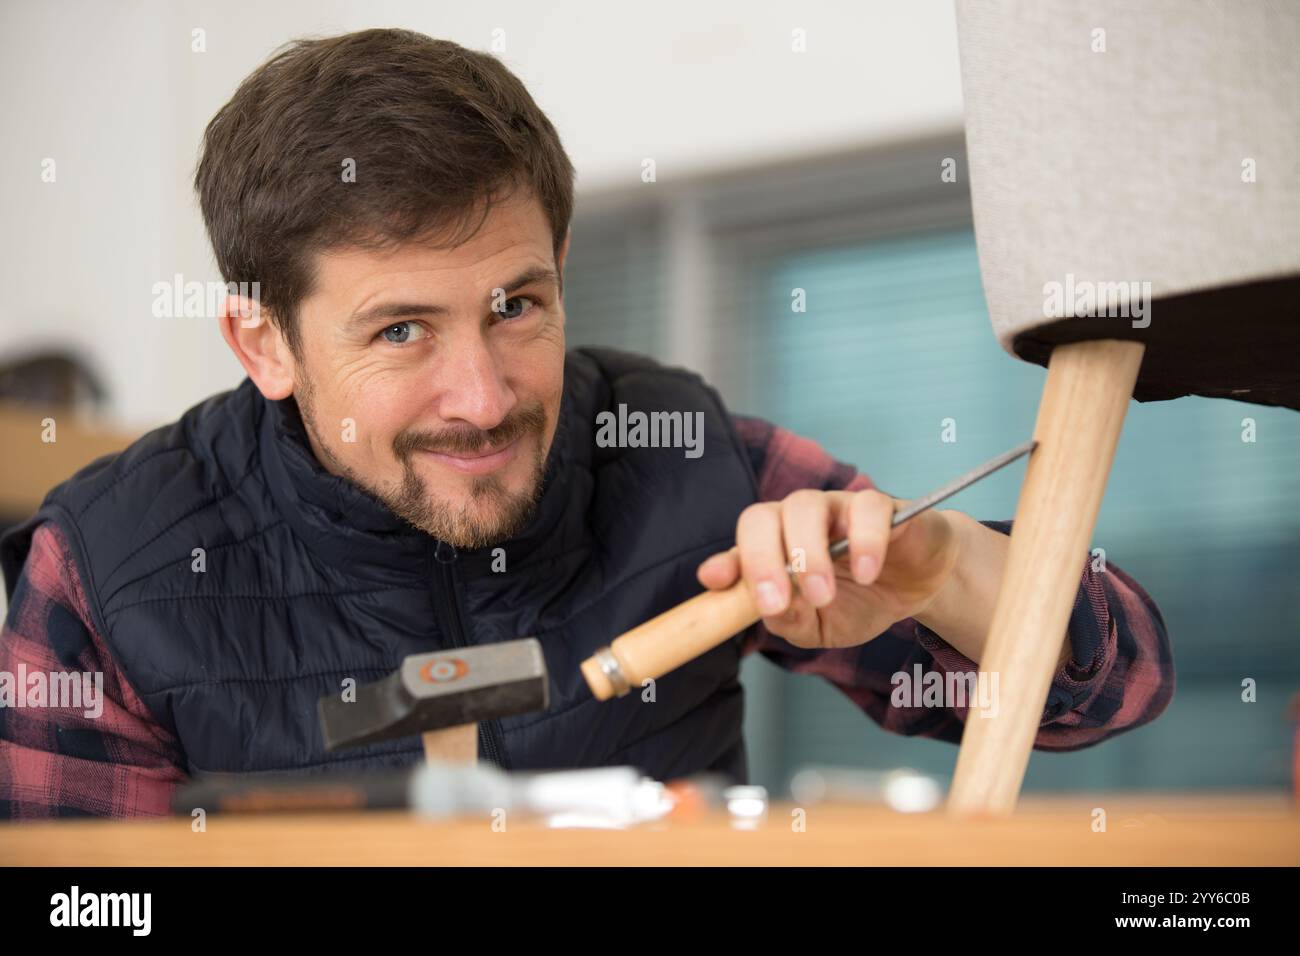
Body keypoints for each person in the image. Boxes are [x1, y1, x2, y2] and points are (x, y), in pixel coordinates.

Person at [0, 29, 1172, 818]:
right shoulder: (108, 572)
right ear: (264, 343)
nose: (486, 395)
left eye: (516, 305)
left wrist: (945, 568)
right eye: (401, 330)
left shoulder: (689, 460)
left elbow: (1116, 688)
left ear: (561, 264)